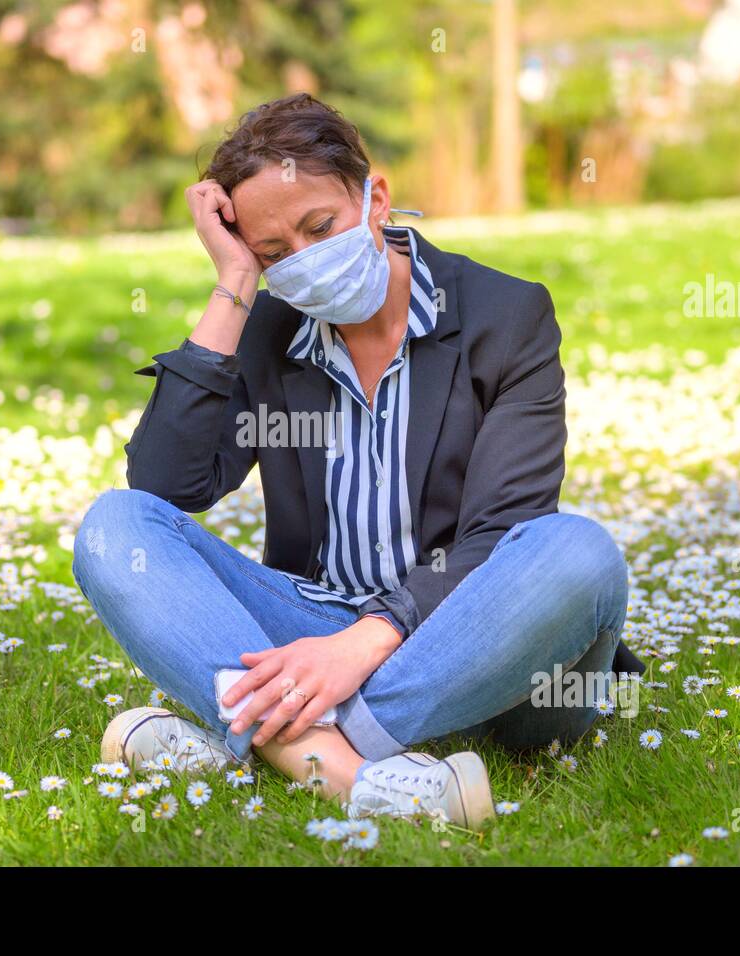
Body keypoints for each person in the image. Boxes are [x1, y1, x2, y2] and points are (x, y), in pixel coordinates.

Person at [73, 92, 642, 832]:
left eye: (320, 228)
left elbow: (502, 530)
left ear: (375, 198)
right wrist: (235, 286)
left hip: (484, 647)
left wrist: (362, 644)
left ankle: (271, 744)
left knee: (579, 553)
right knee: (117, 525)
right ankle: (351, 774)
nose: (304, 263)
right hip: (313, 626)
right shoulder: (272, 328)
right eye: (276, 254)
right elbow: (167, 484)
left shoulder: (506, 317)